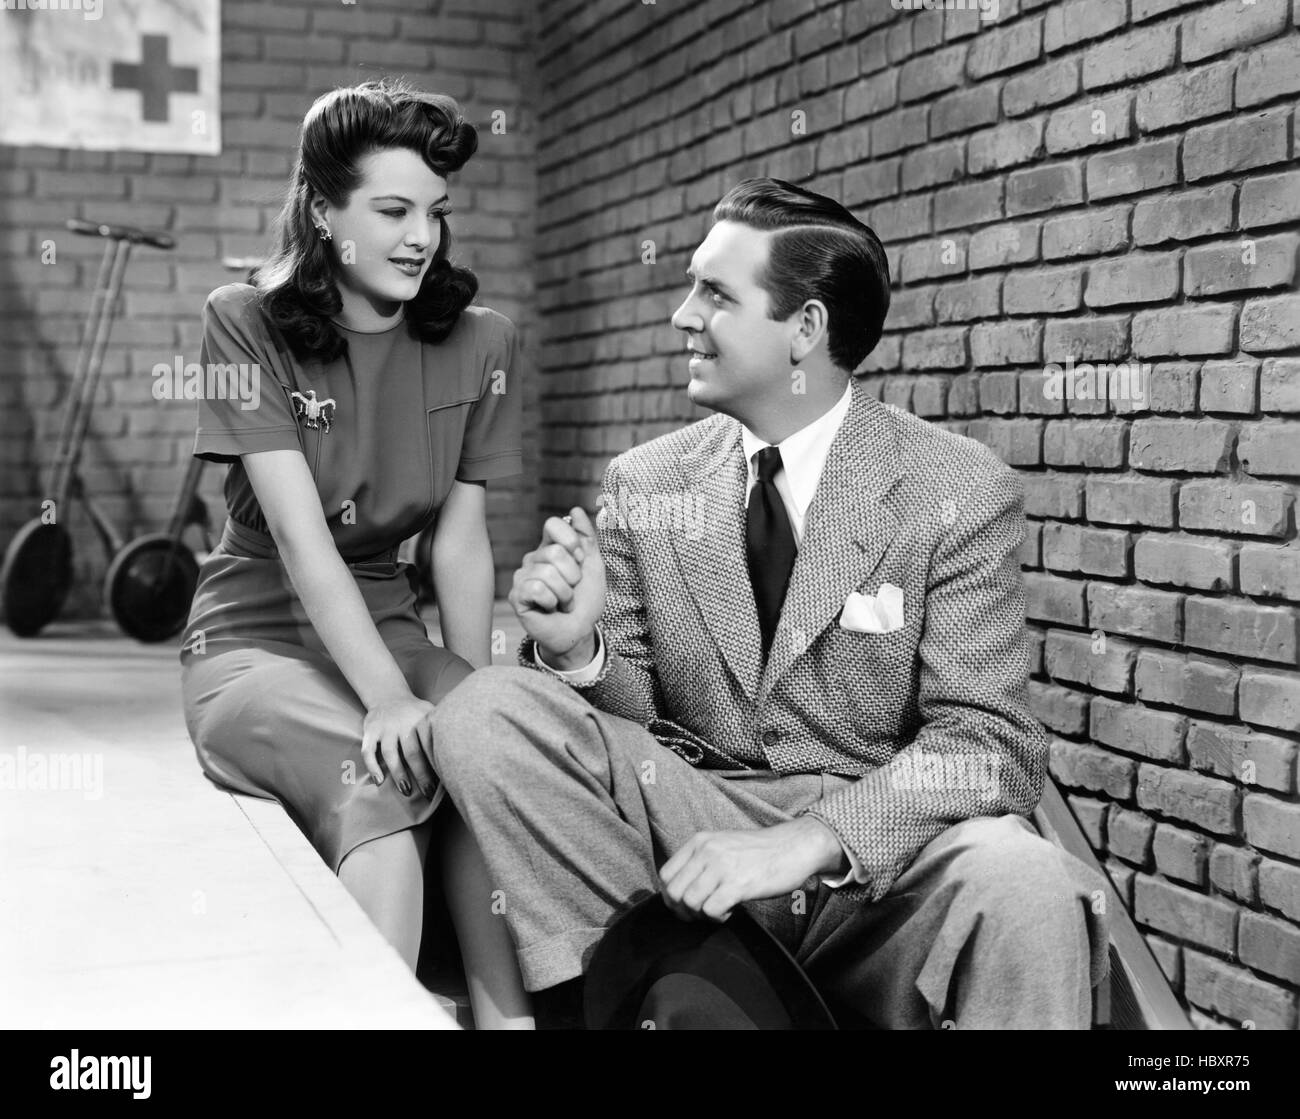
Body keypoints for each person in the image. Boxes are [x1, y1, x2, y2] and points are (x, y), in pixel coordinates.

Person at [431, 178, 1110, 1029]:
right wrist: (578, 652)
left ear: (806, 329)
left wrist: (813, 839)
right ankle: (643, 991)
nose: (683, 315)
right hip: (689, 841)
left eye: (715, 294)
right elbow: (635, 722)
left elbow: (987, 744)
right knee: (485, 708)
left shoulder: (958, 486)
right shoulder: (648, 482)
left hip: (876, 869)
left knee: (1028, 879)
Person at [178, 79, 532, 1028]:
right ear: (325, 211)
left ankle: (508, 1020)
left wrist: (471, 688)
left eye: (435, 212)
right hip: (259, 636)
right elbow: (299, 541)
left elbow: (459, 539)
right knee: (385, 770)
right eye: (391, 210)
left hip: (387, 621)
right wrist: (387, 696)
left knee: (493, 747)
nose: (422, 236)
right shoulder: (240, 322)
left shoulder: (483, 339)